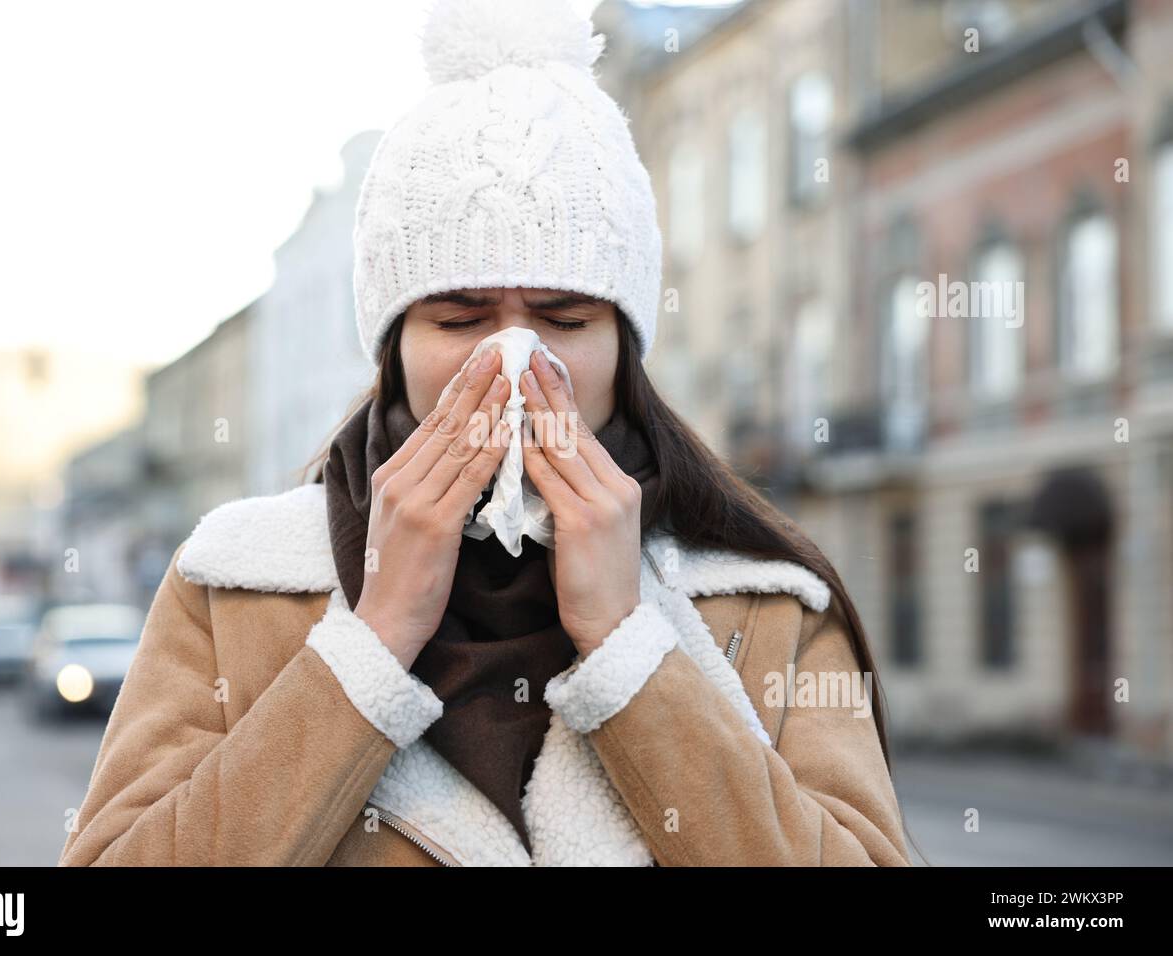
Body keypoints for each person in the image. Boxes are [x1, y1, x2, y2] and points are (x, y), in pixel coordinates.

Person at [58, 0, 914, 867]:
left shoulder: (767, 599)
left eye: (564, 318)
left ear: (625, 347)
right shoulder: (237, 583)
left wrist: (628, 647)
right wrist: (371, 643)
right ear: (394, 347)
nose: (512, 361)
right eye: (462, 318)